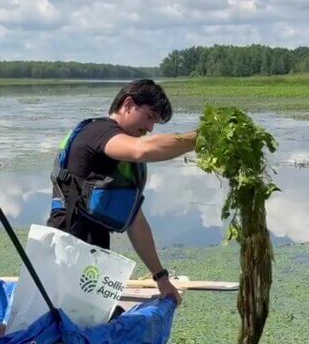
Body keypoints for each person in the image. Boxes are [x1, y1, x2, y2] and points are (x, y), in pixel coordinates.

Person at [48, 80, 197, 304]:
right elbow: (142, 150)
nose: (150, 129)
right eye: (149, 116)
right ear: (128, 104)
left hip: (91, 260)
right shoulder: (98, 132)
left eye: (155, 122)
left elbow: (135, 220)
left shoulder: (113, 157)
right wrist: (201, 138)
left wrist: (161, 277)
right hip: (64, 255)